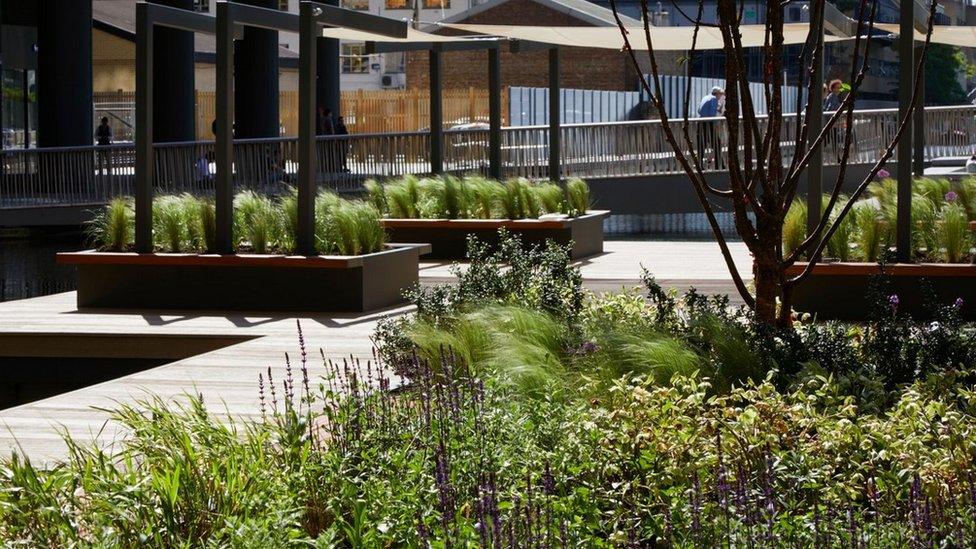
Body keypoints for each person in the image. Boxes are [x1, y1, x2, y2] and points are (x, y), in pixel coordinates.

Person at [697, 87, 724, 167]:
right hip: (708, 123)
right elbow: (712, 114)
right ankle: (719, 165)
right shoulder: (714, 99)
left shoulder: (705, 97)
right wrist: (716, 125)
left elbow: (699, 110)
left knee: (702, 145)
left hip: (701, 122)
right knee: (717, 143)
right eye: (720, 94)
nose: (720, 96)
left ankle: (699, 165)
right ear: (716, 94)